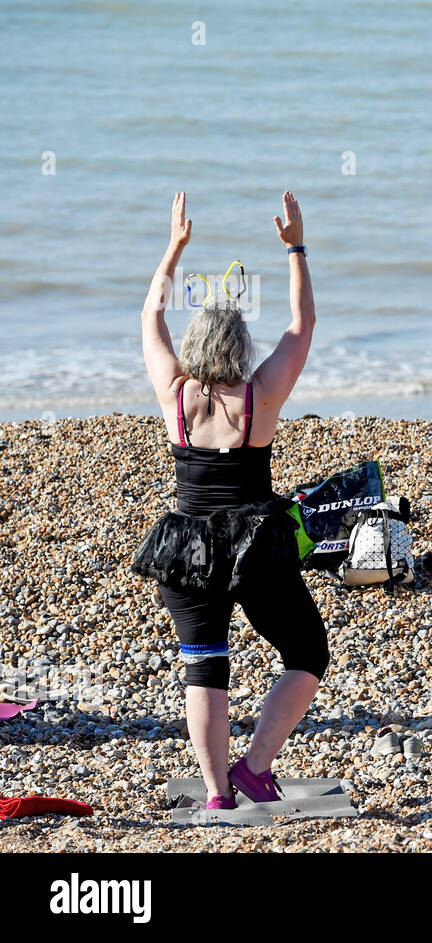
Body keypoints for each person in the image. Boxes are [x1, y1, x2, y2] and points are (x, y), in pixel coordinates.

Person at [133, 192, 327, 808]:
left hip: (187, 544)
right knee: (307, 650)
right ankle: (255, 765)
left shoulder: (174, 392)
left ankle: (218, 793)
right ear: (240, 344)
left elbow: (149, 319)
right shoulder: (261, 394)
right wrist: (295, 247)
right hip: (254, 544)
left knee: (204, 666)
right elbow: (302, 326)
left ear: (197, 344)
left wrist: (174, 248)